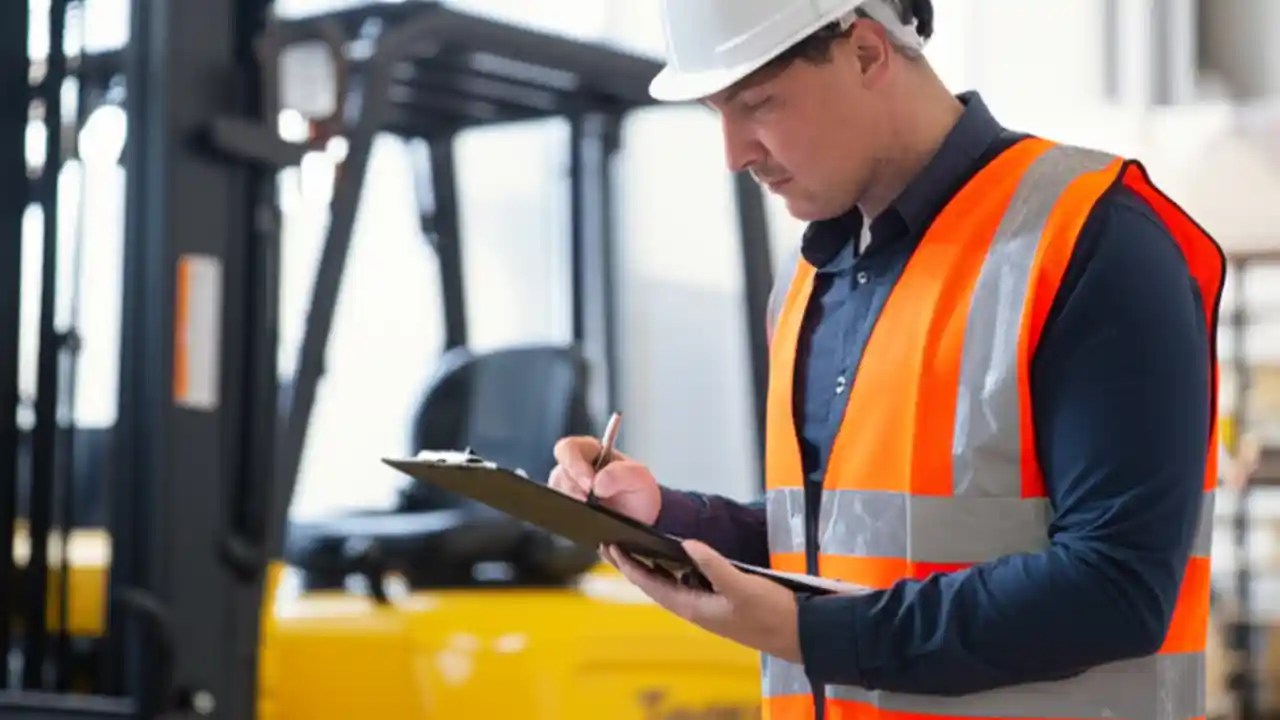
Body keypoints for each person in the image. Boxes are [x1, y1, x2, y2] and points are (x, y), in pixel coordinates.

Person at [549, 0, 1226, 717]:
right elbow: (841, 544)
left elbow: (1115, 589)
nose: (734, 153)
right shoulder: (814, 278)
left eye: (758, 103)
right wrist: (671, 518)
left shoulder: (1094, 240)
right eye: (718, 111)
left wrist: (810, 634)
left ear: (868, 52)